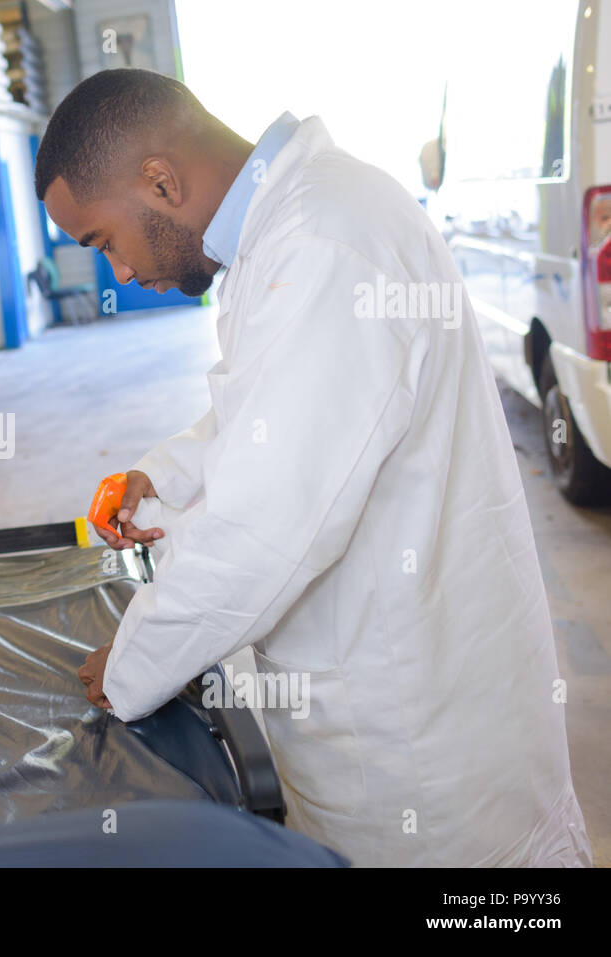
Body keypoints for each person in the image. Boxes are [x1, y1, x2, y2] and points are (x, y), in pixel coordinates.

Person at [36, 68, 592, 866]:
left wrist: (131, 663)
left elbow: (261, 529)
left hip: (422, 758)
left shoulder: (326, 243)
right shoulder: (297, 227)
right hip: (389, 710)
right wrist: (165, 477)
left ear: (159, 180)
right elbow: (267, 418)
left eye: (102, 241)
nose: (118, 272)